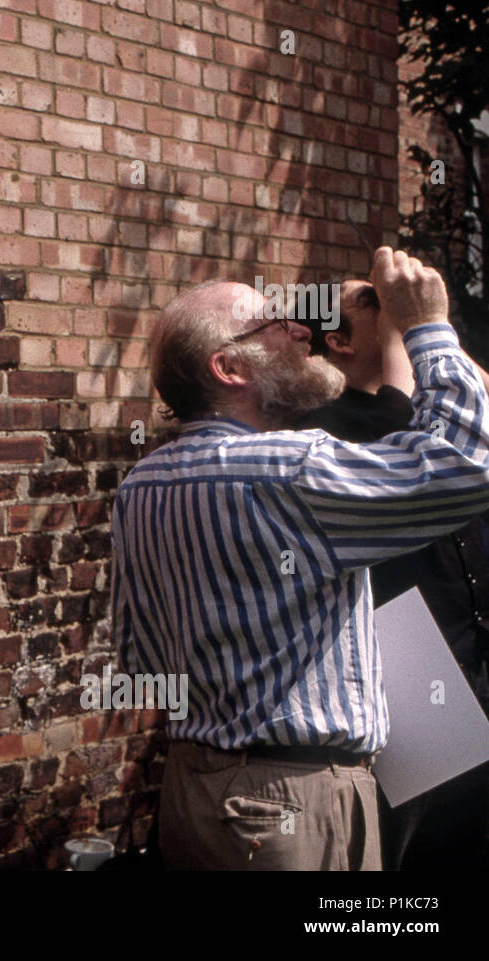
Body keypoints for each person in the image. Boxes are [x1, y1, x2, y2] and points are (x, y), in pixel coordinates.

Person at [112, 247, 489, 870]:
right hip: (291, 803)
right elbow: (469, 462)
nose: (299, 329)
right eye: (272, 323)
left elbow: (141, 659)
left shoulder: (141, 485)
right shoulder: (287, 468)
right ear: (229, 367)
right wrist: (428, 325)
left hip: (193, 791)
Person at [295, 279, 489, 870]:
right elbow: (393, 431)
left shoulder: (436, 402)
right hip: (402, 662)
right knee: (408, 853)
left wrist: (432, 328)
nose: (394, 309)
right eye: (374, 304)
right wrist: (414, 331)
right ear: (339, 340)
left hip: (469, 646)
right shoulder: (323, 426)